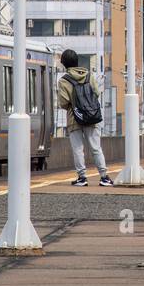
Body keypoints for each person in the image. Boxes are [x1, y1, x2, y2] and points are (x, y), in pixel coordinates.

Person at [57, 49, 112, 187]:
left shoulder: (64, 80)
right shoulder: (89, 76)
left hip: (74, 119)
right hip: (92, 117)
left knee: (78, 149)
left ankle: (82, 178)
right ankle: (104, 177)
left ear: (64, 64)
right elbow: (96, 93)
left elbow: (63, 103)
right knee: (96, 148)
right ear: (77, 61)